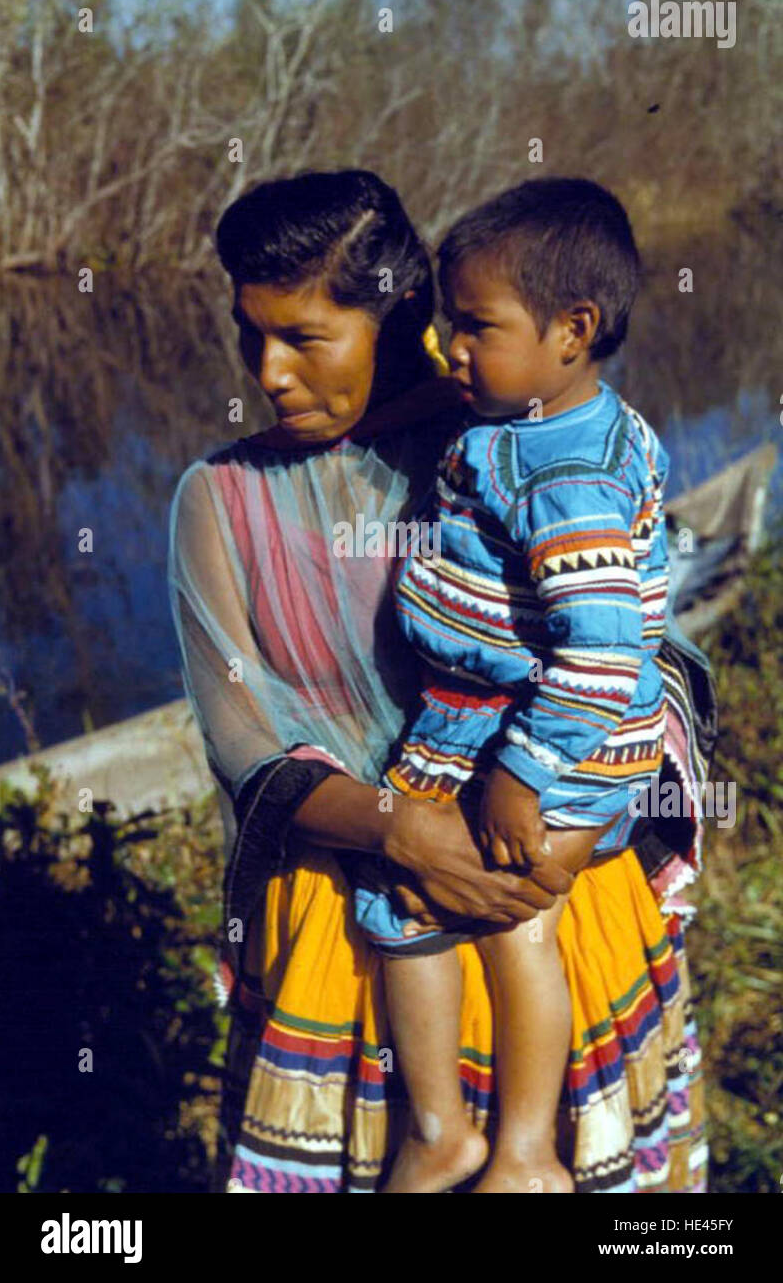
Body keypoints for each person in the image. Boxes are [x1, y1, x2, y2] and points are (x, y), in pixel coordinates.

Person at [167, 169, 714, 1194]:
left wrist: (564, 822)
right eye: (254, 336)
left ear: (401, 322)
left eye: (306, 338)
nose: (268, 372)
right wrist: (400, 829)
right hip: (350, 924)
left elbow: (646, 656)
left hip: (542, 891)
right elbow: (243, 748)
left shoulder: (497, 443)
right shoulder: (219, 500)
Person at [351, 179, 674, 1194]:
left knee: (410, 903)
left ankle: (458, 1132)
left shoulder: (565, 476)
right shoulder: (551, 417)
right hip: (566, 731)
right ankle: (524, 1150)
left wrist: (522, 777)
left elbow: (600, 651)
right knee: (520, 919)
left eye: (476, 327)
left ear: (572, 330)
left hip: (530, 733)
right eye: (449, 324)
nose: (453, 347)